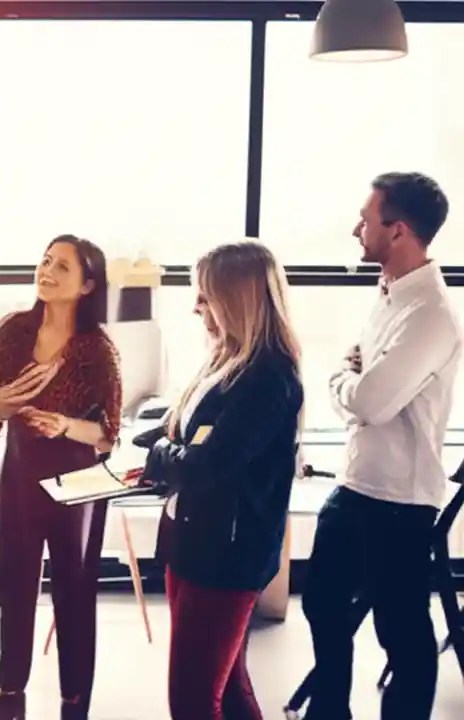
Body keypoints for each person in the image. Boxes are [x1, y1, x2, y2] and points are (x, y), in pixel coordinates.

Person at [303, 172, 458, 720]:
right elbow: (366, 387)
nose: (355, 229)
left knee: (403, 631)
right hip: (356, 483)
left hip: (399, 500)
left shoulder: (431, 316)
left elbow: (369, 402)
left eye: (366, 220)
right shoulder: (388, 293)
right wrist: (358, 382)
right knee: (321, 603)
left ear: (398, 231)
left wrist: (340, 382)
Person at [133, 241, 303, 720]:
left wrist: (158, 457)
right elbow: (183, 425)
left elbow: (207, 464)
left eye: (205, 297)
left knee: (192, 698)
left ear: (238, 299)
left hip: (226, 556)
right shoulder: (227, 357)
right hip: (195, 541)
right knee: (226, 685)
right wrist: (139, 442)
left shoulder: (268, 376)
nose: (195, 308)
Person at [0, 234, 121, 720]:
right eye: (45, 261)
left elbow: (108, 434)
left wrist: (64, 425)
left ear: (87, 285)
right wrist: (2, 406)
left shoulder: (98, 349)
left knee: (75, 595)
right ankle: (10, 694)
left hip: (77, 483)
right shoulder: (13, 332)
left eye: (62, 266)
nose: (47, 271)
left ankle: (74, 700)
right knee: (14, 591)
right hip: (19, 476)